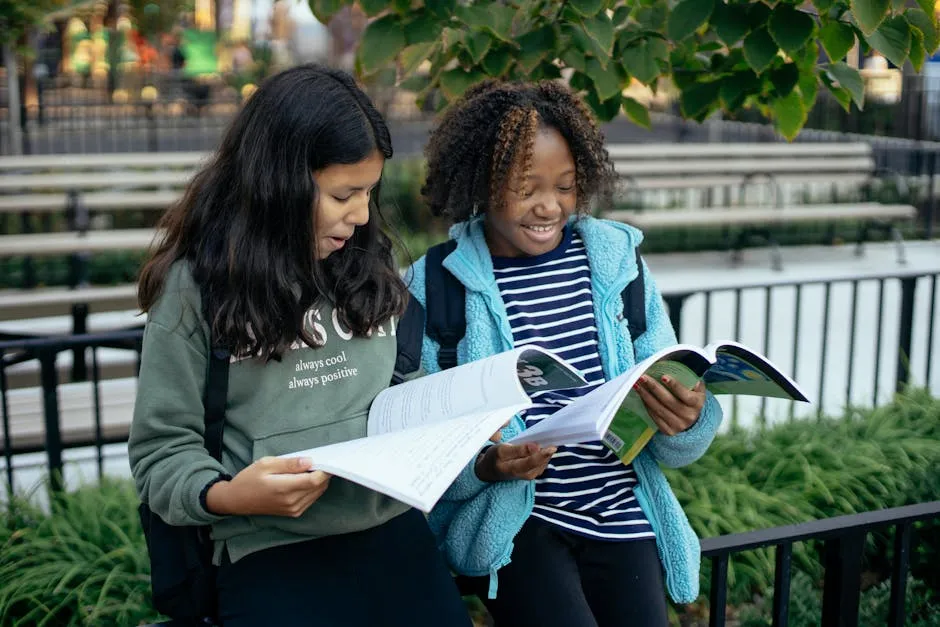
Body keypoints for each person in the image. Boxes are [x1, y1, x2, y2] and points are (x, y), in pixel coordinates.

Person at [128, 64, 471, 627]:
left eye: (368, 192)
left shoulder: (367, 265)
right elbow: (160, 452)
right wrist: (228, 496)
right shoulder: (196, 288)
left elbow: (396, 392)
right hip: (266, 550)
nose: (361, 215)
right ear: (279, 181)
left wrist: (460, 432)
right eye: (343, 194)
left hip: (394, 538)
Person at [407, 80, 725, 627]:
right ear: (482, 183)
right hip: (517, 525)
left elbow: (671, 382)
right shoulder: (434, 284)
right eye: (526, 187)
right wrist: (486, 465)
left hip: (622, 512)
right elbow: (417, 440)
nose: (549, 206)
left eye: (566, 186)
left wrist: (688, 418)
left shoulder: (617, 263)